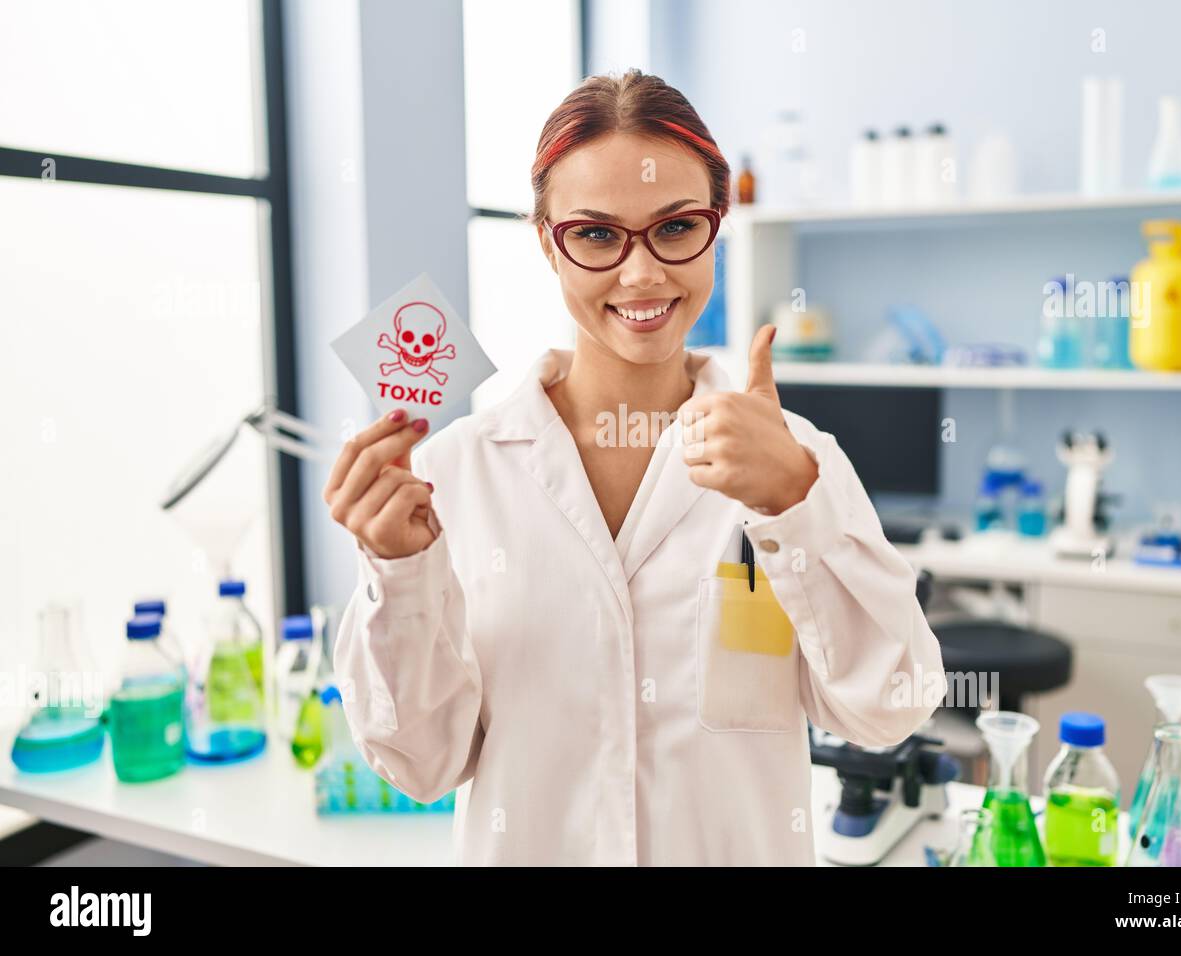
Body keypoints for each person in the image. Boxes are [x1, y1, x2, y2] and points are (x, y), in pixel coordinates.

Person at [324, 69, 943, 865]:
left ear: (716, 227)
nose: (643, 273)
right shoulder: (454, 476)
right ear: (547, 241)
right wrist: (402, 576)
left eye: (676, 227)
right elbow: (421, 764)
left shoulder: (798, 458)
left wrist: (794, 508)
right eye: (596, 233)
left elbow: (891, 706)